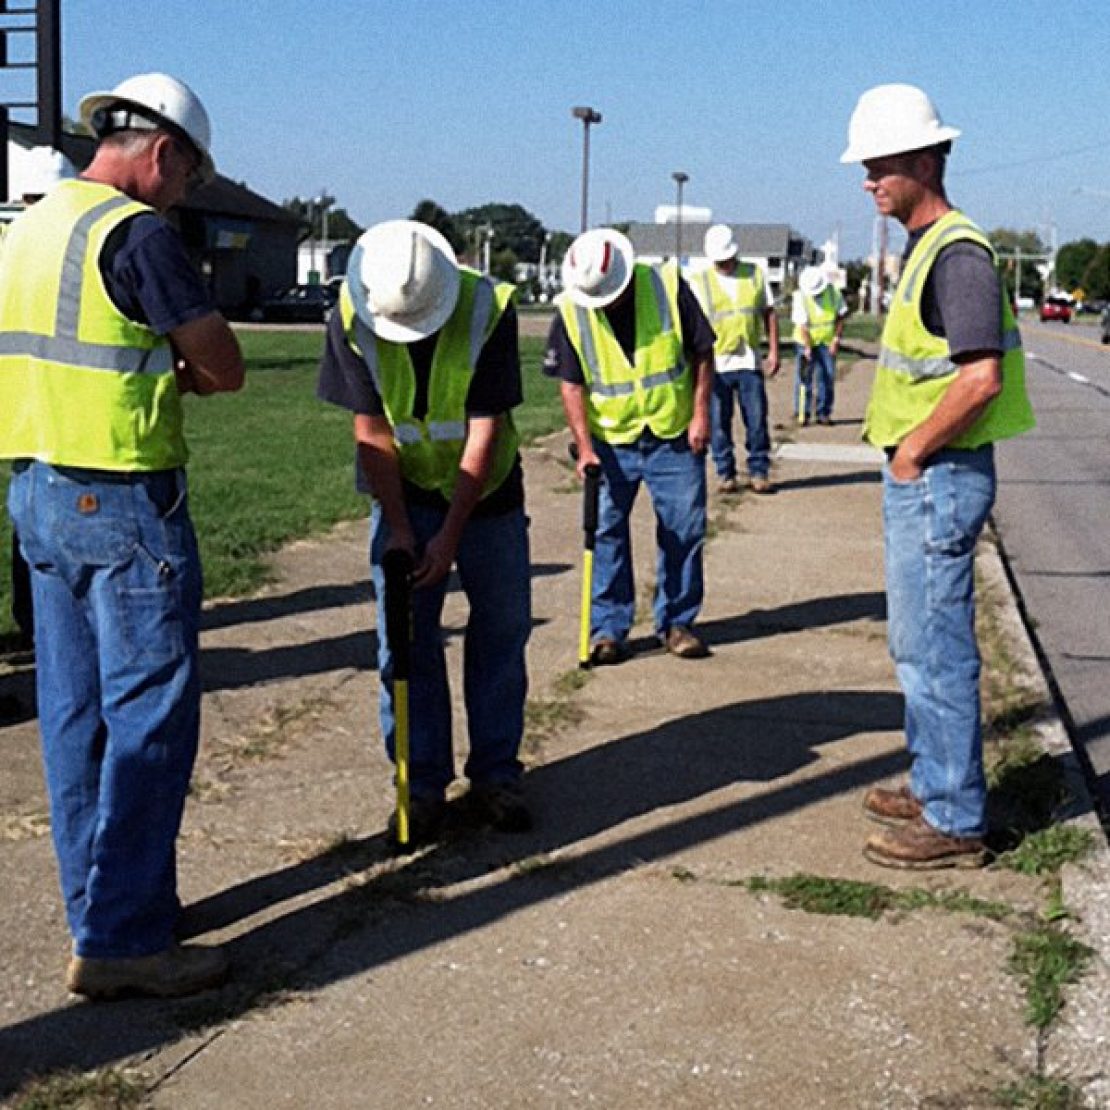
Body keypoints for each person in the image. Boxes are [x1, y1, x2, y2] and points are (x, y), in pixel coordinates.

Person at [0, 73, 244, 996]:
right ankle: (127, 937)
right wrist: (181, 368)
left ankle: (97, 913)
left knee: (73, 718)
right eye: (189, 175)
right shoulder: (135, 234)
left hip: (37, 490)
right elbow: (222, 365)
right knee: (148, 719)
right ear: (163, 151)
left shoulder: (30, 227)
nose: (184, 192)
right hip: (124, 502)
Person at [841, 83, 1035, 868]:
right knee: (916, 644)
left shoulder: (957, 254)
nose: (868, 181)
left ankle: (954, 816)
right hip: (930, 474)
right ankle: (934, 783)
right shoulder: (930, 247)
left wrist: (913, 450)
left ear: (925, 162)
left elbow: (980, 378)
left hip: (939, 476)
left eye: (879, 166)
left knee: (936, 651)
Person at [317, 219, 532, 845]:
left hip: (487, 494)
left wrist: (449, 534)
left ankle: (496, 776)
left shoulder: (488, 308)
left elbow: (485, 430)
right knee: (406, 644)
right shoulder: (352, 316)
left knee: (501, 631)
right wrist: (401, 529)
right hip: (404, 490)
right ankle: (421, 784)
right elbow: (371, 432)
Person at [544, 228, 715, 664]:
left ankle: (677, 622)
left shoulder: (666, 286)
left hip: (672, 433)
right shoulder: (571, 310)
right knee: (606, 534)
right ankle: (608, 628)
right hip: (610, 441)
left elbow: (702, 351)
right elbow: (571, 385)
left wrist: (701, 413)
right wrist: (584, 446)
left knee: (684, 529)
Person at [4, 147, 78, 655]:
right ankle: (39, 627)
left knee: (29, 525)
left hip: (21, 414)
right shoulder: (74, 245)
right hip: (63, 416)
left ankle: (35, 626)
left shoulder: (13, 243)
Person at [692, 224, 780, 495]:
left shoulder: (754, 274)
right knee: (719, 422)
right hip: (716, 363)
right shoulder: (699, 281)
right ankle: (725, 472)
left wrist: (773, 350)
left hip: (748, 360)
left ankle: (758, 470)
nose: (725, 263)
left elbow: (769, 313)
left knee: (756, 419)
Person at [791, 265, 848, 425]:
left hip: (827, 341)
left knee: (827, 376)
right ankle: (802, 411)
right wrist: (807, 347)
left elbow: (840, 316)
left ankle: (823, 412)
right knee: (804, 378)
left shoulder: (833, 293)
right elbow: (803, 326)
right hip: (804, 341)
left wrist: (836, 339)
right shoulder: (800, 297)